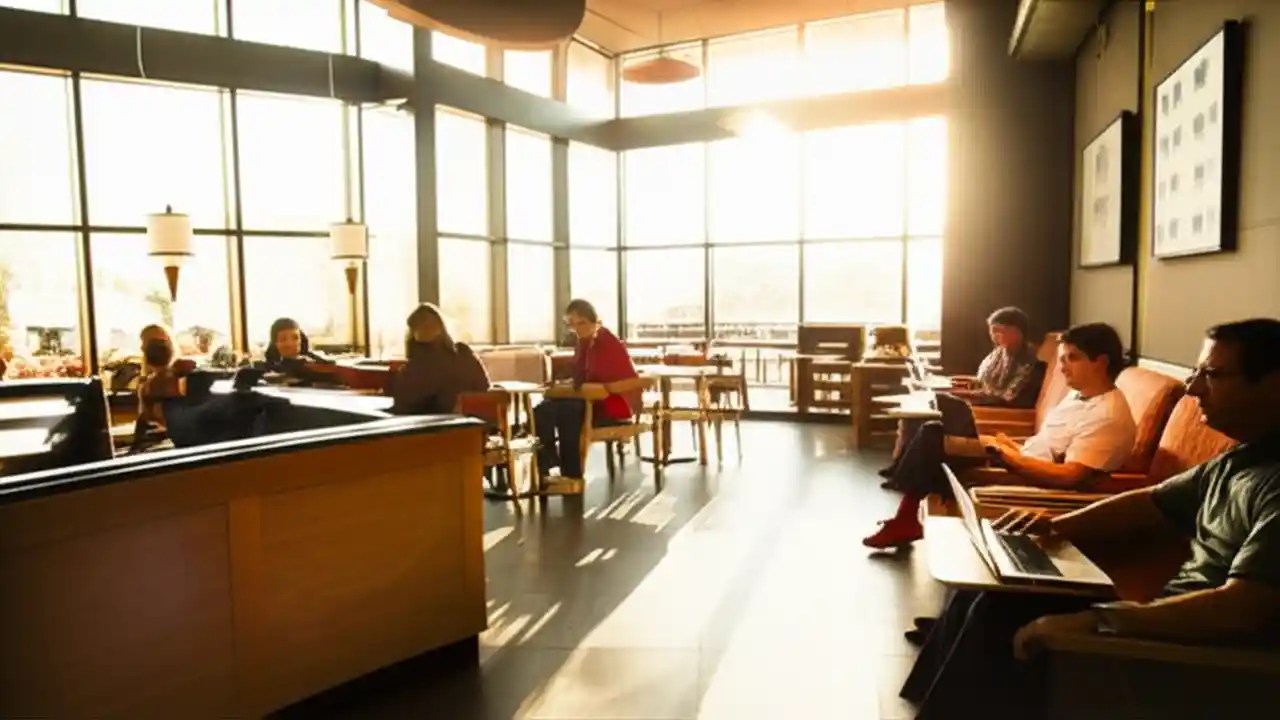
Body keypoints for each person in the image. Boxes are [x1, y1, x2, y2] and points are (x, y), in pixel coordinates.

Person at [901, 318, 1280, 719]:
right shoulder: (1240, 458)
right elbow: (1149, 502)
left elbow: (1241, 611)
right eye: (1196, 373)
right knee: (997, 594)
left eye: (1213, 375)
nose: (1193, 388)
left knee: (997, 617)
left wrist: (1097, 621)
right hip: (1168, 616)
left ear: (1274, 385)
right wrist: (1057, 525)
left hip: (1201, 657)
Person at [863, 322, 1136, 549]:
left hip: (1023, 473)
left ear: (1101, 362)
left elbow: (1070, 475)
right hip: (1018, 458)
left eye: (1072, 358)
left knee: (933, 435)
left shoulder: (1107, 415)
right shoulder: (1080, 395)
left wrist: (1007, 457)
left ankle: (905, 516)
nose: (1063, 367)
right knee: (945, 408)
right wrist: (1009, 445)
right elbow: (1050, 444)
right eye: (1062, 359)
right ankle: (907, 504)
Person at [881, 307, 1045, 485]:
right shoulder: (1000, 352)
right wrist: (952, 383)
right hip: (980, 404)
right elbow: (983, 381)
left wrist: (960, 393)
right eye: (992, 331)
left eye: (999, 331)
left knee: (936, 404)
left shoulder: (1029, 360)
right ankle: (899, 466)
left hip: (997, 413)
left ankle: (902, 472)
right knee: (918, 412)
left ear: (1016, 331)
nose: (994, 336)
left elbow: (1005, 397)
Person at [535, 299, 640, 481]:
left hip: (614, 404)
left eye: (581, 323)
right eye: (572, 324)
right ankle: (546, 462)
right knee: (543, 409)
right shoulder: (584, 342)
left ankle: (572, 474)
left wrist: (575, 386)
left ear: (593, 321)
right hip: (592, 399)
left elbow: (601, 378)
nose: (577, 328)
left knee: (568, 410)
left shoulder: (607, 342)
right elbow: (580, 376)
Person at [389, 303, 490, 415]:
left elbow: (404, 403)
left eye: (429, 325)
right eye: (423, 325)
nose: (427, 328)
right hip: (471, 419)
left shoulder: (421, 364)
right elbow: (484, 387)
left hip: (437, 421)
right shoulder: (462, 352)